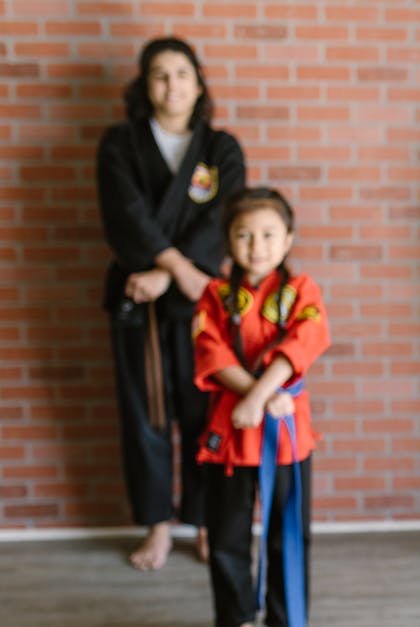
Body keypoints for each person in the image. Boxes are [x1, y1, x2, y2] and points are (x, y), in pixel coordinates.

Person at [97, 36, 246, 571]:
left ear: (199, 82)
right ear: (144, 86)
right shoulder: (119, 145)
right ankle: (158, 527)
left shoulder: (221, 149)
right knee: (146, 415)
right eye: (159, 75)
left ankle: (205, 524)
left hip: (200, 302)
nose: (172, 85)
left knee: (205, 411)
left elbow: (224, 217)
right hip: (141, 300)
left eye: (182, 73)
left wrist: (178, 274)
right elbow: (124, 215)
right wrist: (173, 270)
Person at [193, 187, 331, 627]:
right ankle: (233, 618)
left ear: (289, 239)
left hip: (284, 430)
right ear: (228, 241)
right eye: (244, 235)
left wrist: (260, 395)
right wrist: (254, 396)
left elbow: (303, 343)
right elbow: (211, 352)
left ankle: (285, 619)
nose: (257, 247)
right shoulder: (214, 294)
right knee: (226, 539)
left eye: (270, 235)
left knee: (287, 536)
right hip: (232, 432)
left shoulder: (301, 289)